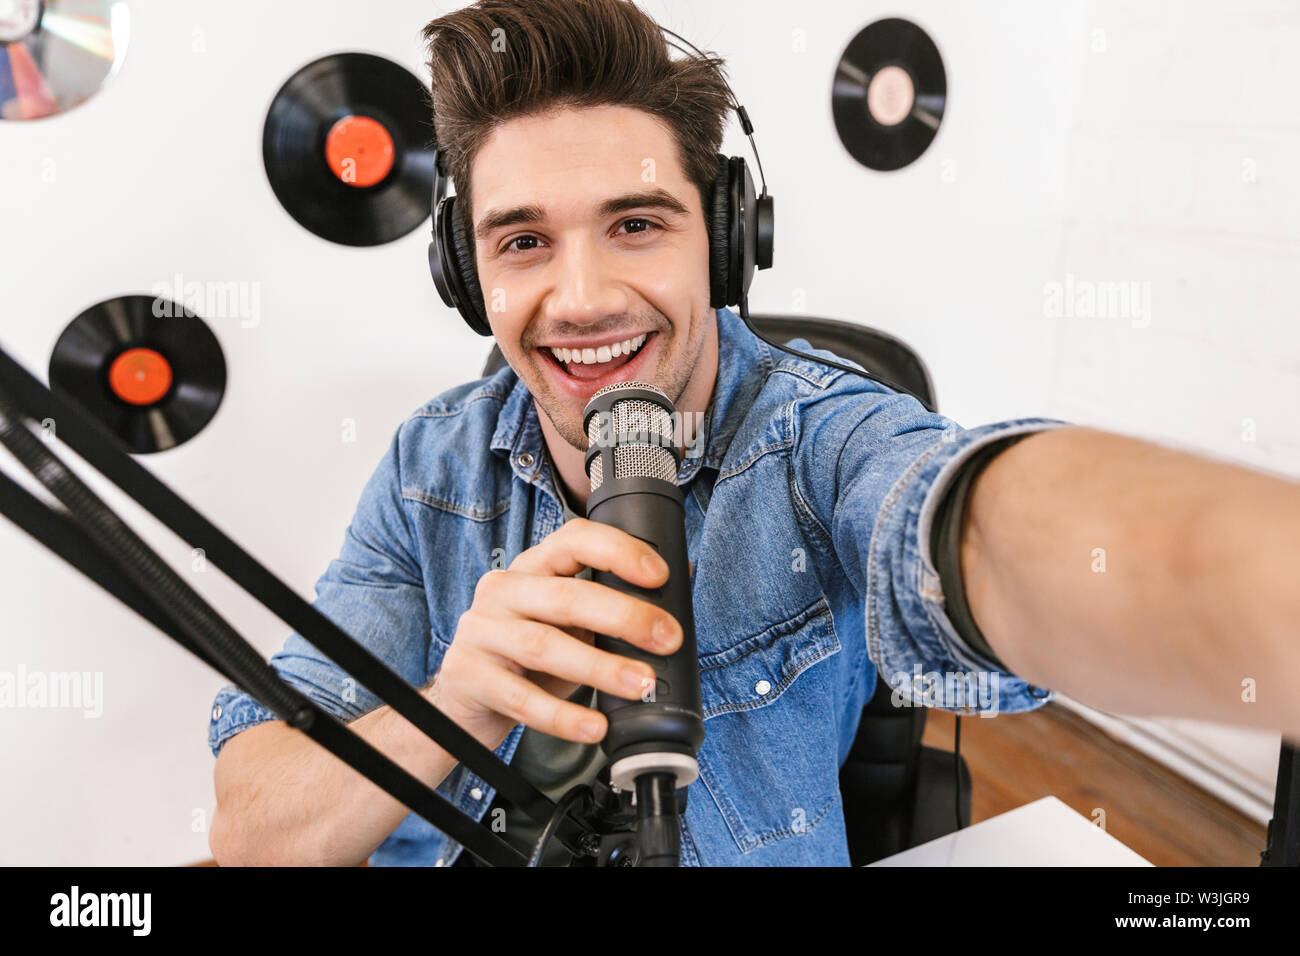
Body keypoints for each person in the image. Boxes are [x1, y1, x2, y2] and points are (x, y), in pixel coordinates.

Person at [207, 0, 1300, 866]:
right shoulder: (428, 466)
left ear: (726, 241)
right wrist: (459, 699)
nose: (581, 297)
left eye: (635, 225)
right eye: (524, 241)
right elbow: (254, 831)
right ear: (465, 273)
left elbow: (976, 527)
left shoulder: (820, 435)